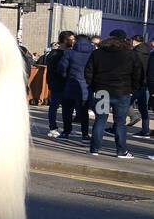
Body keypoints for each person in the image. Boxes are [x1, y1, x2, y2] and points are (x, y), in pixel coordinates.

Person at [85, 29, 145, 158]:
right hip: (122, 91)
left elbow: (89, 72)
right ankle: (121, 151)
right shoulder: (130, 54)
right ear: (124, 39)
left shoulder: (97, 53)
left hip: (102, 91)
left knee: (100, 120)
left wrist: (94, 86)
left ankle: (94, 149)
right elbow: (138, 74)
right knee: (120, 122)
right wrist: (133, 89)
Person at [57, 30, 94, 140]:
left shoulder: (69, 53)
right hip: (86, 88)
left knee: (67, 110)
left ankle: (66, 131)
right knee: (83, 112)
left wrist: (65, 76)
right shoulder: (92, 54)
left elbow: (62, 67)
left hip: (71, 85)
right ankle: (85, 134)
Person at [44, 32, 73, 137]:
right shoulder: (56, 54)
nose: (73, 41)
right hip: (58, 84)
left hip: (61, 84)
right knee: (55, 106)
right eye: (72, 39)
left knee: (66, 108)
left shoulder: (62, 53)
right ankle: (53, 127)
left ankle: (66, 129)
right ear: (65, 40)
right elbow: (55, 70)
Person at [132, 34, 151, 138]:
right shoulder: (148, 52)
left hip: (136, 82)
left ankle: (116, 127)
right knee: (143, 108)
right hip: (145, 82)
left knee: (125, 105)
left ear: (134, 41)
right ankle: (145, 130)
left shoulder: (135, 52)